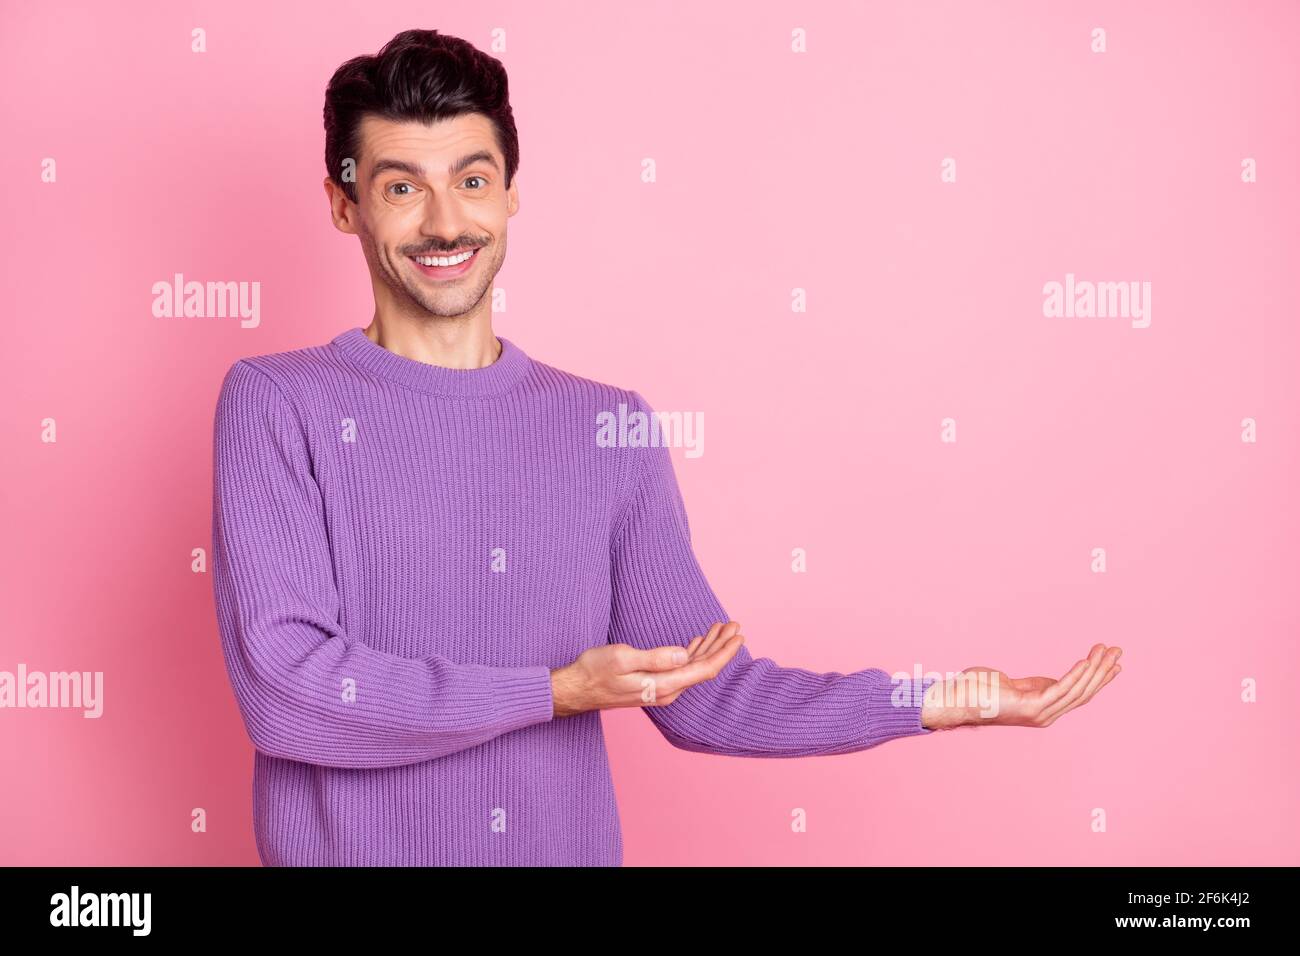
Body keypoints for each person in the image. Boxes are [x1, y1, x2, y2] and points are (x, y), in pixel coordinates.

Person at [211, 28, 1122, 867]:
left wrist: (936, 699)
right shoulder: (278, 404)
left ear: (513, 192)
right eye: (402, 186)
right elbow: (290, 692)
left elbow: (706, 693)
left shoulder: (605, 427)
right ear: (344, 205)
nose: (445, 221)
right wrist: (555, 691)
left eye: (473, 180)